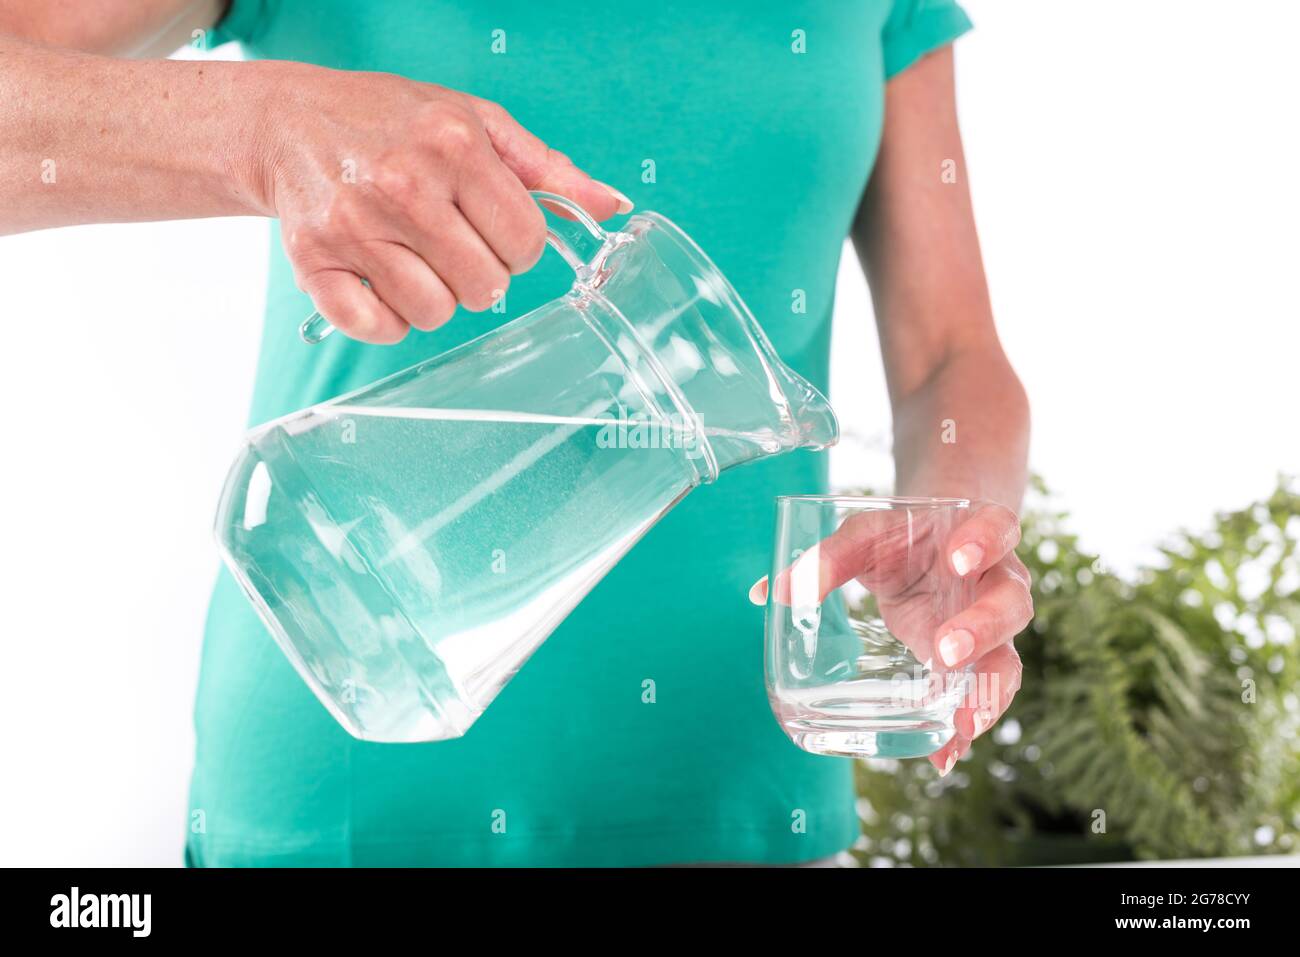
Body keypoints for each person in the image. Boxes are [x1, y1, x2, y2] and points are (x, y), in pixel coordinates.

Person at [0, 0, 1032, 866]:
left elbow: (952, 351)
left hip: (735, 780)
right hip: (356, 750)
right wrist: (263, 128)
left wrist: (958, 534)